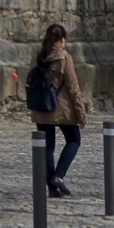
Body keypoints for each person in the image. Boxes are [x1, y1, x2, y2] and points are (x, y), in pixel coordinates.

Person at [28, 22, 87, 197]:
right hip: (62, 109)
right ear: (62, 40)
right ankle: (58, 176)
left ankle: (52, 189)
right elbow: (73, 88)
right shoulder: (64, 58)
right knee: (74, 140)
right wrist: (81, 115)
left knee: (47, 148)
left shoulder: (37, 56)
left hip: (40, 107)